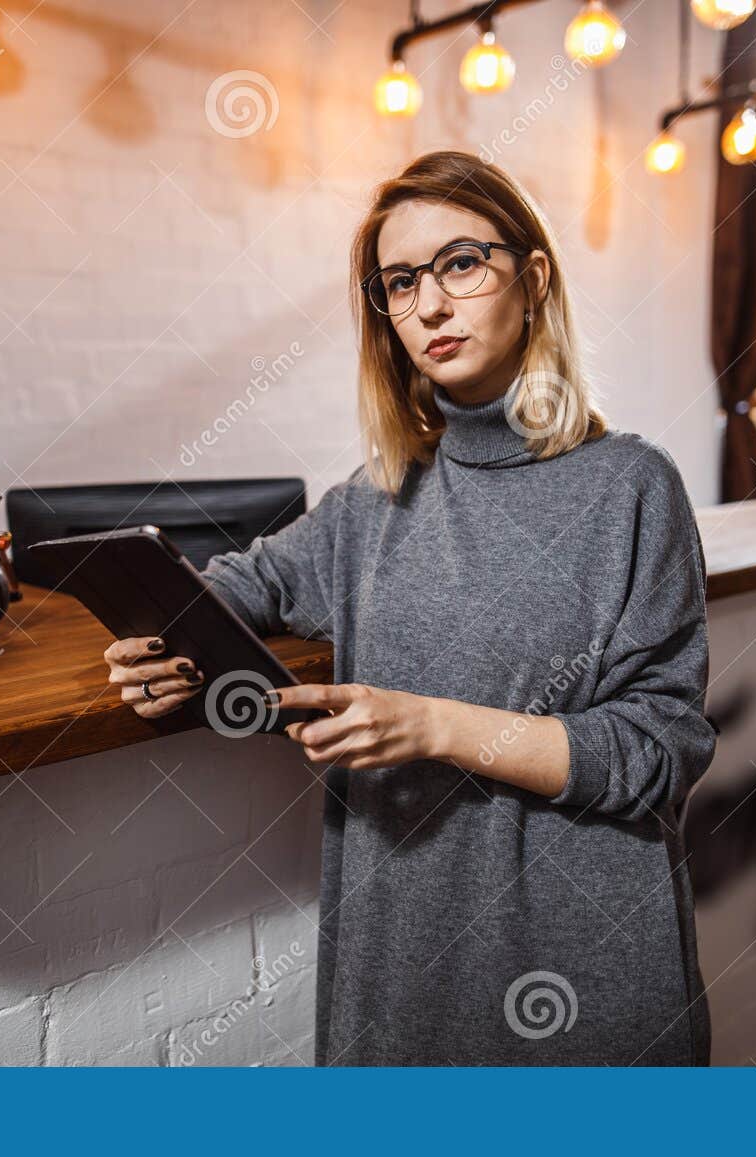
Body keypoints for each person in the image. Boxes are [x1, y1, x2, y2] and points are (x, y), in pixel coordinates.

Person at [102, 150, 716, 1065]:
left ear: (533, 277)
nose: (430, 305)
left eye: (461, 263)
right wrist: (161, 640)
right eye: (399, 281)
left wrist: (431, 726)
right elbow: (249, 580)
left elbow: (660, 750)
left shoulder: (630, 485)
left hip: (582, 965)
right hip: (400, 960)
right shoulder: (374, 500)